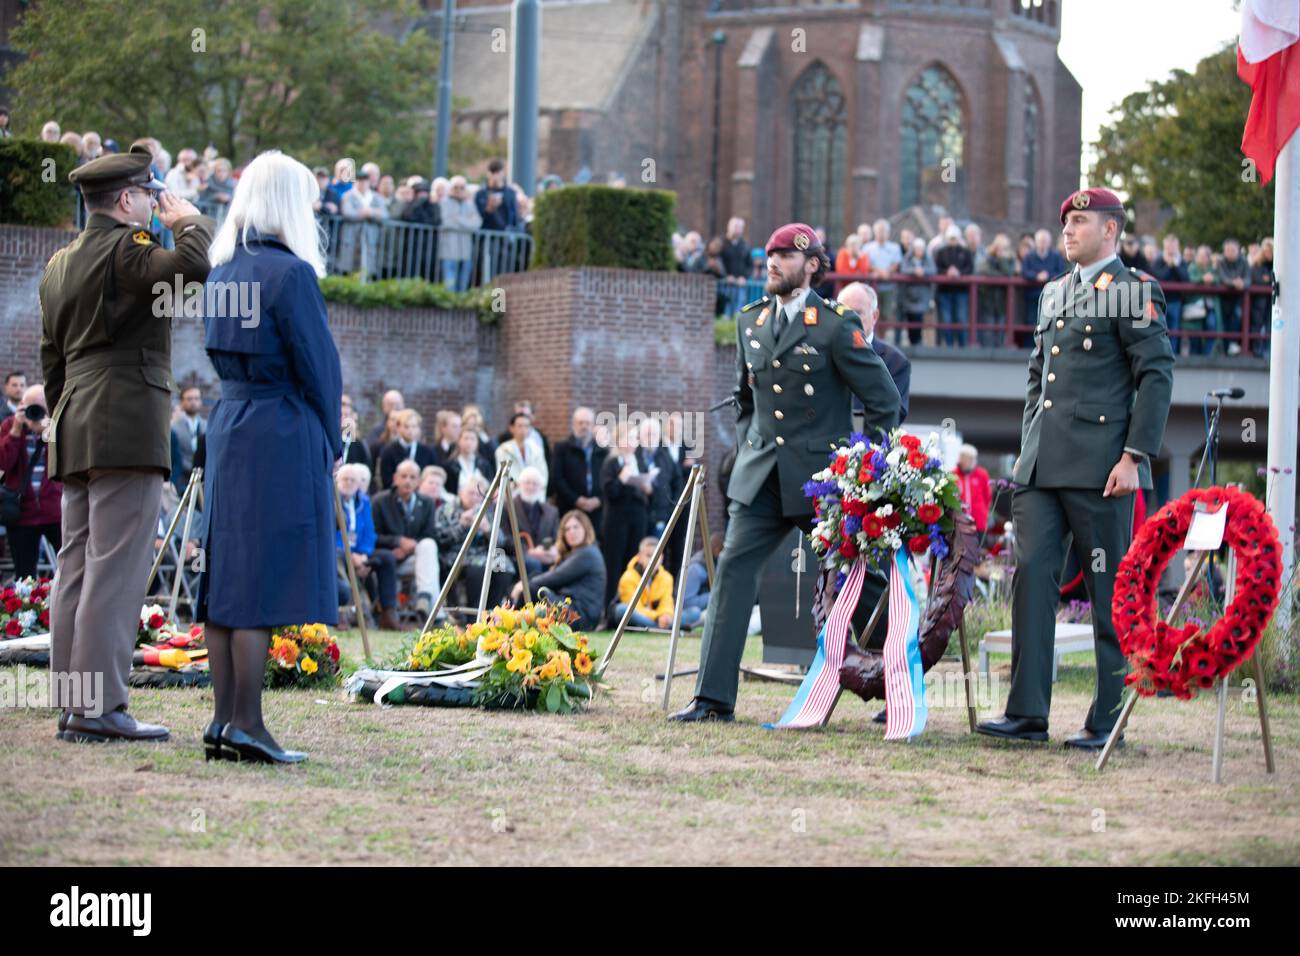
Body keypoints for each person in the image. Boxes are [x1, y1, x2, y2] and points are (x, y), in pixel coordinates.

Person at [669, 222, 901, 722]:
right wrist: (751, 445)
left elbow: (885, 402)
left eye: (783, 256)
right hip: (761, 477)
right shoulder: (750, 320)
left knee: (861, 583)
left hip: (823, 483)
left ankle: (900, 681)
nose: (772, 263)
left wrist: (866, 471)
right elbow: (746, 398)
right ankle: (712, 700)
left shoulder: (836, 324)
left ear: (812, 265)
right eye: (769, 255)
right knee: (732, 572)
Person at [977, 187, 1173, 750]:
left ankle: (1107, 719)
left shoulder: (1135, 291)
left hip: (1101, 467)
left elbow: (1155, 376)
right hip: (1041, 467)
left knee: (1110, 589)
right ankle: (1027, 713)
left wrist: (1135, 457)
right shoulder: (1052, 292)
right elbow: (1038, 379)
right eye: (1065, 220)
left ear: (1111, 230)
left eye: (1080, 220)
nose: (1068, 229)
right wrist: (1025, 450)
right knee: (1032, 579)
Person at [41, 145, 214, 744]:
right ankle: (100, 708)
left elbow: (52, 362)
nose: (153, 201)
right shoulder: (127, 248)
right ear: (124, 200)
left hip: (77, 422)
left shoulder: (58, 263)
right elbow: (193, 271)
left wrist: (68, 416)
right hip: (125, 421)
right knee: (113, 570)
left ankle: (72, 703)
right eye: (147, 193)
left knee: (77, 567)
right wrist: (188, 221)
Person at [195, 150, 343, 765]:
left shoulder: (220, 269)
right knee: (258, 580)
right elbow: (320, 368)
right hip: (278, 428)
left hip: (229, 423)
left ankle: (223, 719)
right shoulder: (291, 275)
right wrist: (332, 440)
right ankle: (249, 724)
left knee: (227, 571)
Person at [1, 384, 62, 578]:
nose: (34, 412)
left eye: (40, 407)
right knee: (25, 574)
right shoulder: (11, 425)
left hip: (55, 512)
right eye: (30, 406)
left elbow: (65, 458)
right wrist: (16, 431)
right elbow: (3, 463)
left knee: (70, 565)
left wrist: (48, 429)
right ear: (22, 406)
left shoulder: (53, 426)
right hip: (22, 515)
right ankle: (27, 607)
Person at [511, 510, 605, 630]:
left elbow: (556, 577)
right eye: (567, 529)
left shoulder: (588, 553)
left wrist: (524, 585)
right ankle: (514, 619)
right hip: (572, 608)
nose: (572, 532)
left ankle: (513, 622)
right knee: (533, 577)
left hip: (580, 615)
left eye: (576, 527)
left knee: (531, 588)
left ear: (586, 529)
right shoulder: (576, 553)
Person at [372, 459, 442, 620]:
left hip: (416, 558)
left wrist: (411, 546)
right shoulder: (380, 501)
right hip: (389, 560)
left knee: (428, 545)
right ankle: (436, 614)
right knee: (431, 561)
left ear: (418, 481)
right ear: (395, 478)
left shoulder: (427, 503)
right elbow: (373, 536)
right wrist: (397, 541)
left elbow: (430, 534)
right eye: (404, 476)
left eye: (412, 477)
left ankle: (424, 598)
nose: (407, 481)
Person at [335, 464, 399, 630]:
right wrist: (351, 555)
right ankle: (344, 612)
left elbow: (370, 533)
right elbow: (331, 533)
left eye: (353, 480)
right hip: (339, 550)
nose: (348, 483)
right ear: (337, 481)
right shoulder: (333, 501)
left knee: (387, 557)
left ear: (359, 484)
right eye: (345, 479)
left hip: (359, 551)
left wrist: (363, 555)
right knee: (337, 556)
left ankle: (387, 611)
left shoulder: (364, 501)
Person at [838, 281, 911, 422]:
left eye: (857, 312)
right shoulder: (823, 353)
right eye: (844, 312)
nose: (850, 319)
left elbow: (896, 413)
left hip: (868, 440)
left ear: (875, 316)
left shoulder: (896, 362)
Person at [600, 424, 652, 608]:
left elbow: (646, 492)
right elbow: (609, 492)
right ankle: (609, 609)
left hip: (637, 517)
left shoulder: (640, 462)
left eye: (635, 438)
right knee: (614, 564)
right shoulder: (612, 463)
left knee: (633, 561)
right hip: (616, 520)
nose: (633, 443)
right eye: (629, 438)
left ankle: (631, 607)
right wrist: (622, 478)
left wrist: (646, 486)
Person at [550, 406, 607, 537]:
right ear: (573, 424)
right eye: (580, 422)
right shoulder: (562, 448)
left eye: (588, 423)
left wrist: (599, 500)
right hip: (569, 508)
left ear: (593, 426)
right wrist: (576, 499)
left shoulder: (602, 451)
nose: (584, 426)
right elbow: (557, 478)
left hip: (597, 512)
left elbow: (608, 480)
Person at [612, 536, 676, 629]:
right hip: (636, 616)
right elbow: (635, 608)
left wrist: (665, 615)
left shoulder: (667, 577)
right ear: (639, 557)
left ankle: (664, 625)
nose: (653, 560)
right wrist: (658, 617)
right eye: (649, 555)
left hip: (654, 618)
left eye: (657, 556)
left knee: (693, 612)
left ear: (662, 558)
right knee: (622, 610)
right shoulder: (628, 577)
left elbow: (667, 603)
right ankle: (668, 626)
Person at [513, 465, 559, 576]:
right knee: (533, 563)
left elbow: (556, 537)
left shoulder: (551, 511)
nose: (531, 487)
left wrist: (552, 550)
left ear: (541, 488)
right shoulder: (508, 507)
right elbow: (504, 538)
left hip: (545, 554)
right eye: (527, 482)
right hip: (516, 555)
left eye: (535, 484)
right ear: (519, 485)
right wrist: (529, 552)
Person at [378, 408, 437, 489]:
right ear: (398, 428)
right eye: (406, 426)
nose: (410, 430)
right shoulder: (388, 451)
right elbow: (386, 479)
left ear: (419, 429)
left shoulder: (427, 452)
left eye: (414, 426)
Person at [898, 237, 935, 347]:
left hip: (922, 295)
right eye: (917, 249)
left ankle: (917, 342)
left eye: (921, 249)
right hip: (908, 295)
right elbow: (903, 269)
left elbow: (933, 270)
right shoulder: (907, 258)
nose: (919, 251)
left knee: (918, 318)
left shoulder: (928, 259)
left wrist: (923, 271)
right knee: (910, 318)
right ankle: (912, 342)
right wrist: (914, 271)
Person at [170, 384, 206, 488]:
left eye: (196, 398)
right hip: (182, 480)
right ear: (182, 402)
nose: (193, 402)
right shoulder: (174, 428)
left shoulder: (206, 426)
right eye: (189, 399)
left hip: (203, 480)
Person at [953, 443, 992, 534]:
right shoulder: (953, 475)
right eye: (963, 457)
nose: (965, 461)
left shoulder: (982, 474)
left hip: (978, 523)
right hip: (959, 523)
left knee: (978, 547)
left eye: (968, 458)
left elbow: (988, 497)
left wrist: (984, 514)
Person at [445, 427, 494, 496]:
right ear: (459, 441)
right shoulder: (449, 466)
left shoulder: (484, 464)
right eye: (466, 439)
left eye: (472, 439)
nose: (469, 442)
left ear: (477, 442)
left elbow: (491, 487)